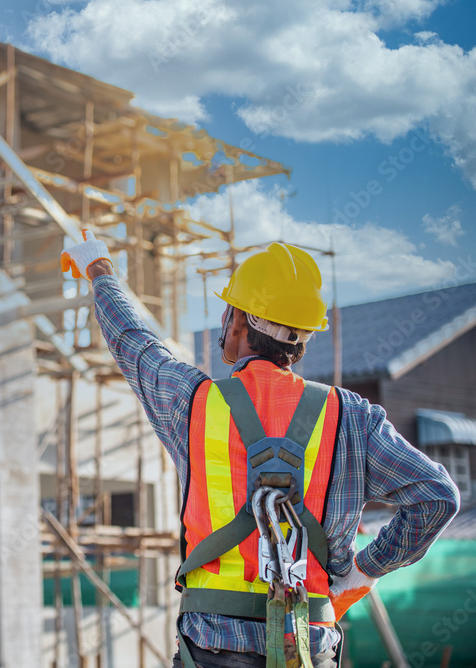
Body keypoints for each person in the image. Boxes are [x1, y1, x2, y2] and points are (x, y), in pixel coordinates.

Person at [61, 233, 460, 667]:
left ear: (238, 321)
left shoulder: (192, 402)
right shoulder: (352, 418)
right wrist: (365, 570)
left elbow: (135, 341)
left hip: (214, 648)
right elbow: (437, 497)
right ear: (302, 337)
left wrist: (99, 268)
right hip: (307, 647)